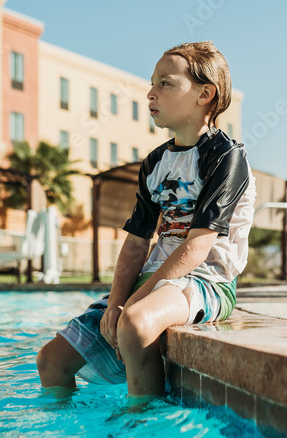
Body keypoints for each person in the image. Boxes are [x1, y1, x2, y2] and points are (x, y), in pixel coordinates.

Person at [37, 41, 256, 398]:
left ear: (205, 93)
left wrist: (133, 304)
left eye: (165, 83)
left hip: (207, 281)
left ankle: (139, 424)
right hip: (153, 279)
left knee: (135, 325)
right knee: (50, 361)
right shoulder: (155, 163)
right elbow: (137, 241)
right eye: (152, 83)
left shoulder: (227, 157)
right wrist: (114, 304)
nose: (151, 93)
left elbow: (199, 245)